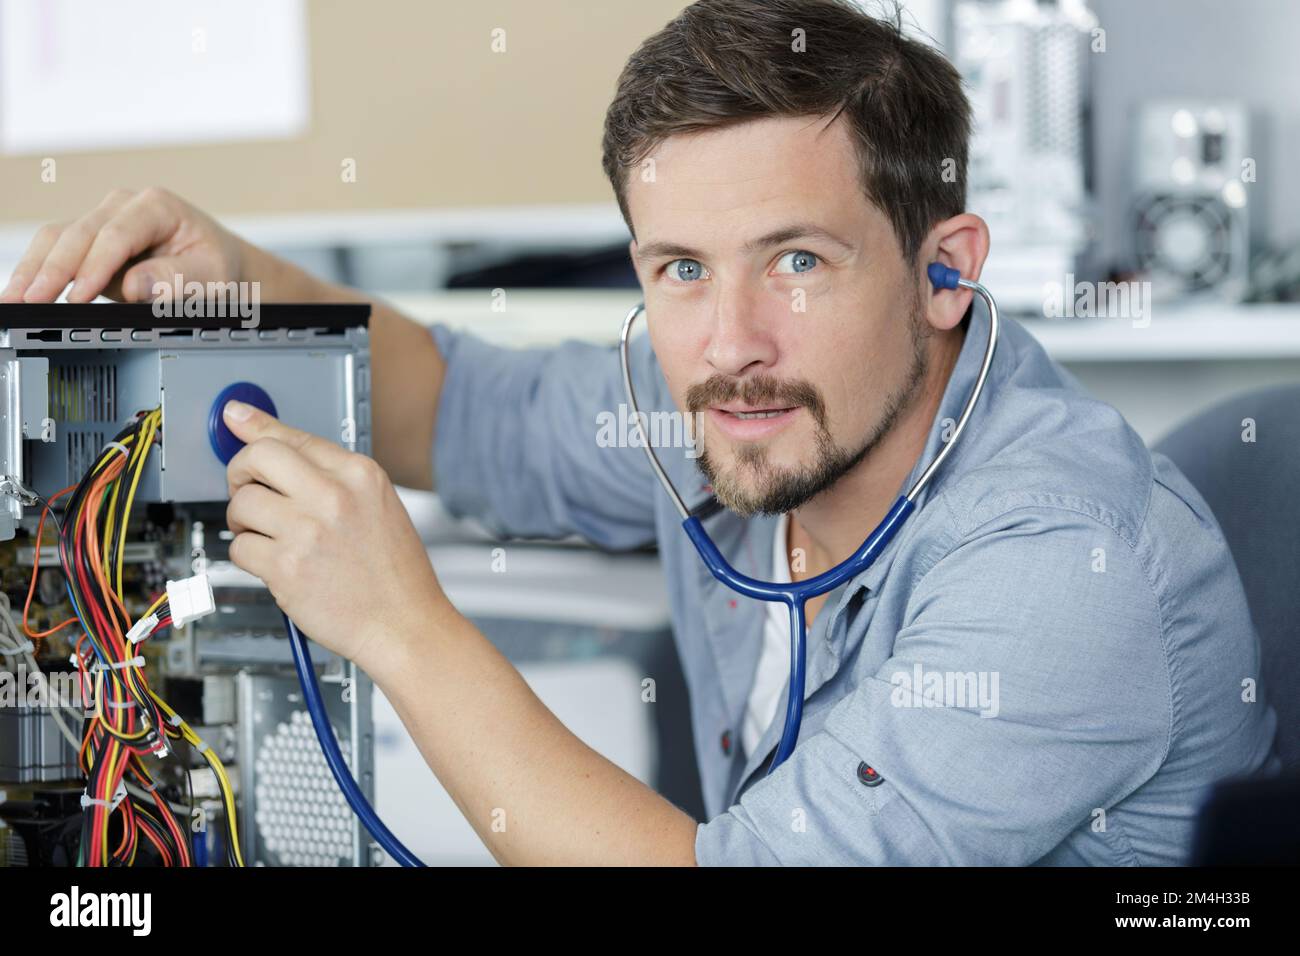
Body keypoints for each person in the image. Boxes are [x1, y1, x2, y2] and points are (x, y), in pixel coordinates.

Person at [0, 0, 1278, 865]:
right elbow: (455, 405)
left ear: (944, 273)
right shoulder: (745, 413)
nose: (727, 343)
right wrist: (239, 276)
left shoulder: (1062, 566)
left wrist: (398, 624)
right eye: (677, 268)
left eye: (796, 259)